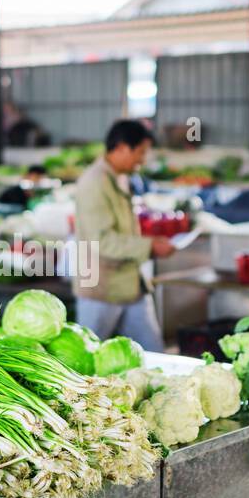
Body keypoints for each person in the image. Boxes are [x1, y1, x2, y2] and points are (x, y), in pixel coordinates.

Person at [72, 120, 173, 351]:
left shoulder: (118, 177)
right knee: (87, 361)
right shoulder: (94, 183)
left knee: (153, 353)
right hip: (101, 288)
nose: (142, 159)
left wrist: (149, 242)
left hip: (130, 284)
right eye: (140, 152)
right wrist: (150, 247)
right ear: (122, 148)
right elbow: (102, 241)